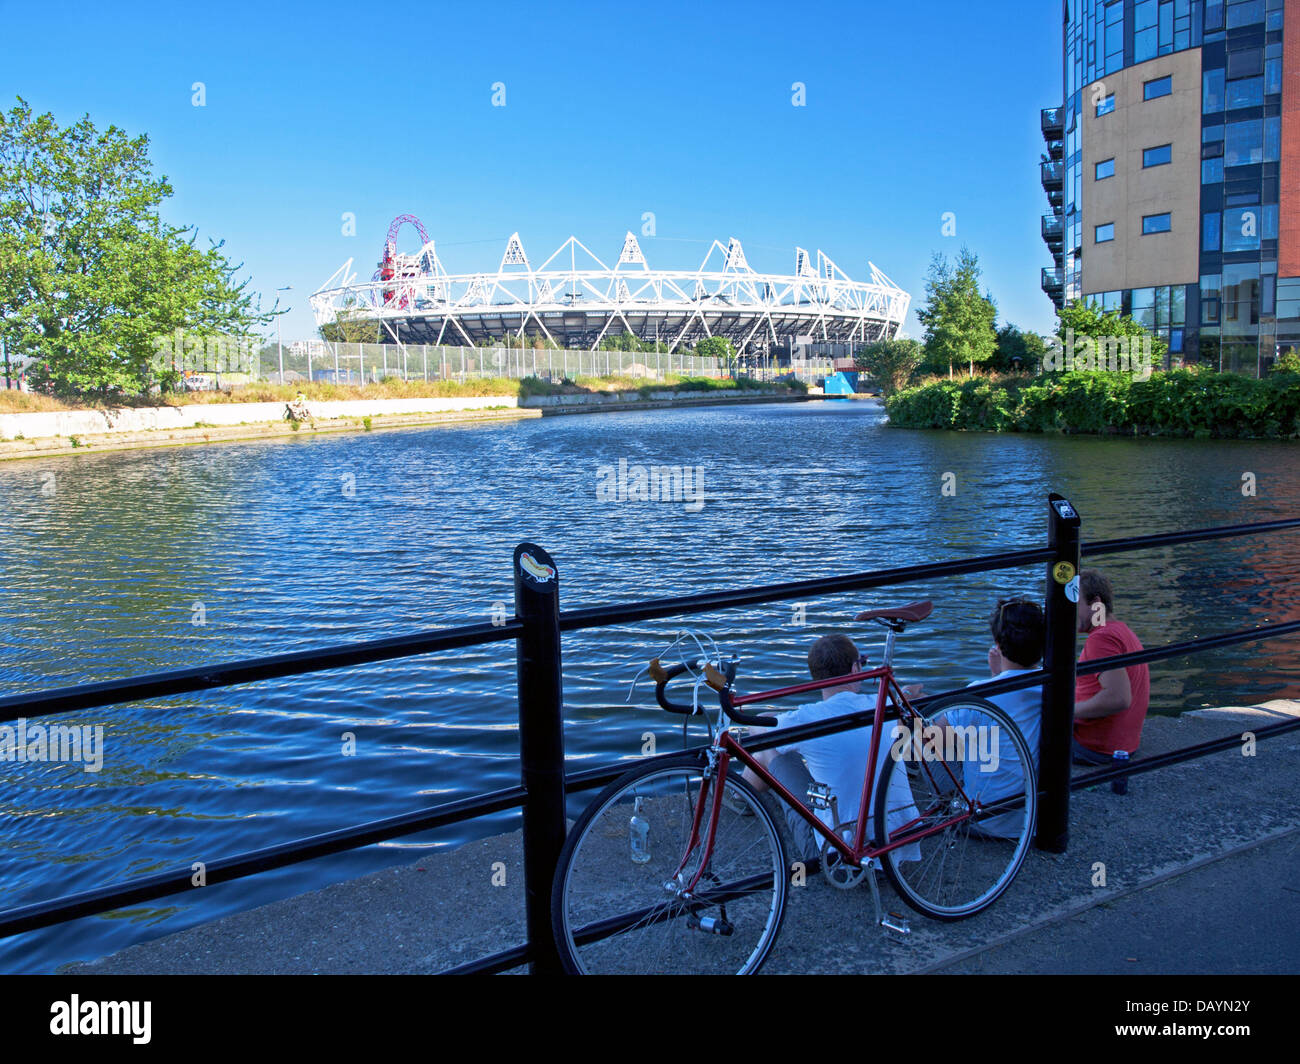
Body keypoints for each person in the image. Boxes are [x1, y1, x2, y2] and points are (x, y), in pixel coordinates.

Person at [741, 634, 919, 863]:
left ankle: (740, 794)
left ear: (815, 676)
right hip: (901, 839)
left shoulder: (806, 718)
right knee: (794, 743)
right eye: (862, 663)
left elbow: (756, 727)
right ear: (855, 669)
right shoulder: (884, 702)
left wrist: (781, 720)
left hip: (838, 855)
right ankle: (743, 792)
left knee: (769, 749)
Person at [957, 597, 1046, 837]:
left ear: (998, 643)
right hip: (1033, 820)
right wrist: (997, 674)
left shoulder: (978, 692)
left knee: (939, 734)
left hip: (985, 823)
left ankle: (946, 807)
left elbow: (930, 738)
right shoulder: (1050, 686)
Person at [1073, 569, 1149, 765]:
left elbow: (1118, 698)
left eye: (1076, 602)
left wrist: (1067, 712)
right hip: (1123, 744)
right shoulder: (1121, 631)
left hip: (1095, 747)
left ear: (1096, 603)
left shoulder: (1101, 639)